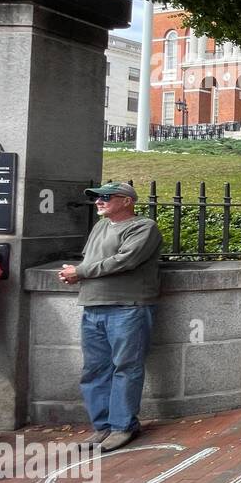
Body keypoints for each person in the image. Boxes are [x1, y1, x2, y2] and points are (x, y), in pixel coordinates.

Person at [57, 181, 162, 452]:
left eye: (105, 197)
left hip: (128, 307)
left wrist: (80, 272)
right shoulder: (101, 226)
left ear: (127, 201)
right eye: (96, 198)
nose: (99, 202)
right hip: (93, 306)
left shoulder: (143, 227)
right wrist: (77, 273)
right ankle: (102, 427)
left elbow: (124, 261)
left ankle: (123, 426)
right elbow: (92, 261)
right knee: (94, 370)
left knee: (126, 367)